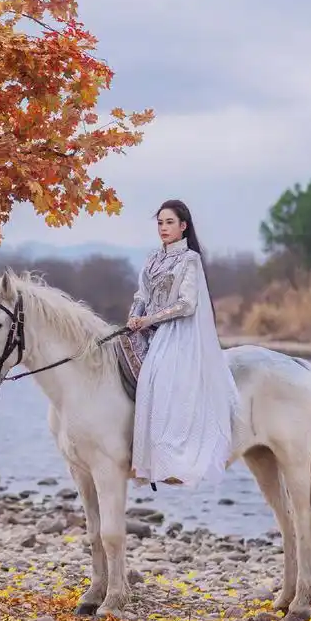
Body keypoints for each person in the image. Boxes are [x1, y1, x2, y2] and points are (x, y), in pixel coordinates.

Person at [114, 199, 241, 490]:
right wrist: (134, 318)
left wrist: (149, 320)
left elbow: (187, 304)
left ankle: (169, 455)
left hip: (176, 331)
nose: (163, 228)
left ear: (183, 226)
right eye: (160, 223)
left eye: (169, 222)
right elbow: (140, 295)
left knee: (155, 376)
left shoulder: (189, 260)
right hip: (147, 326)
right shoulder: (152, 258)